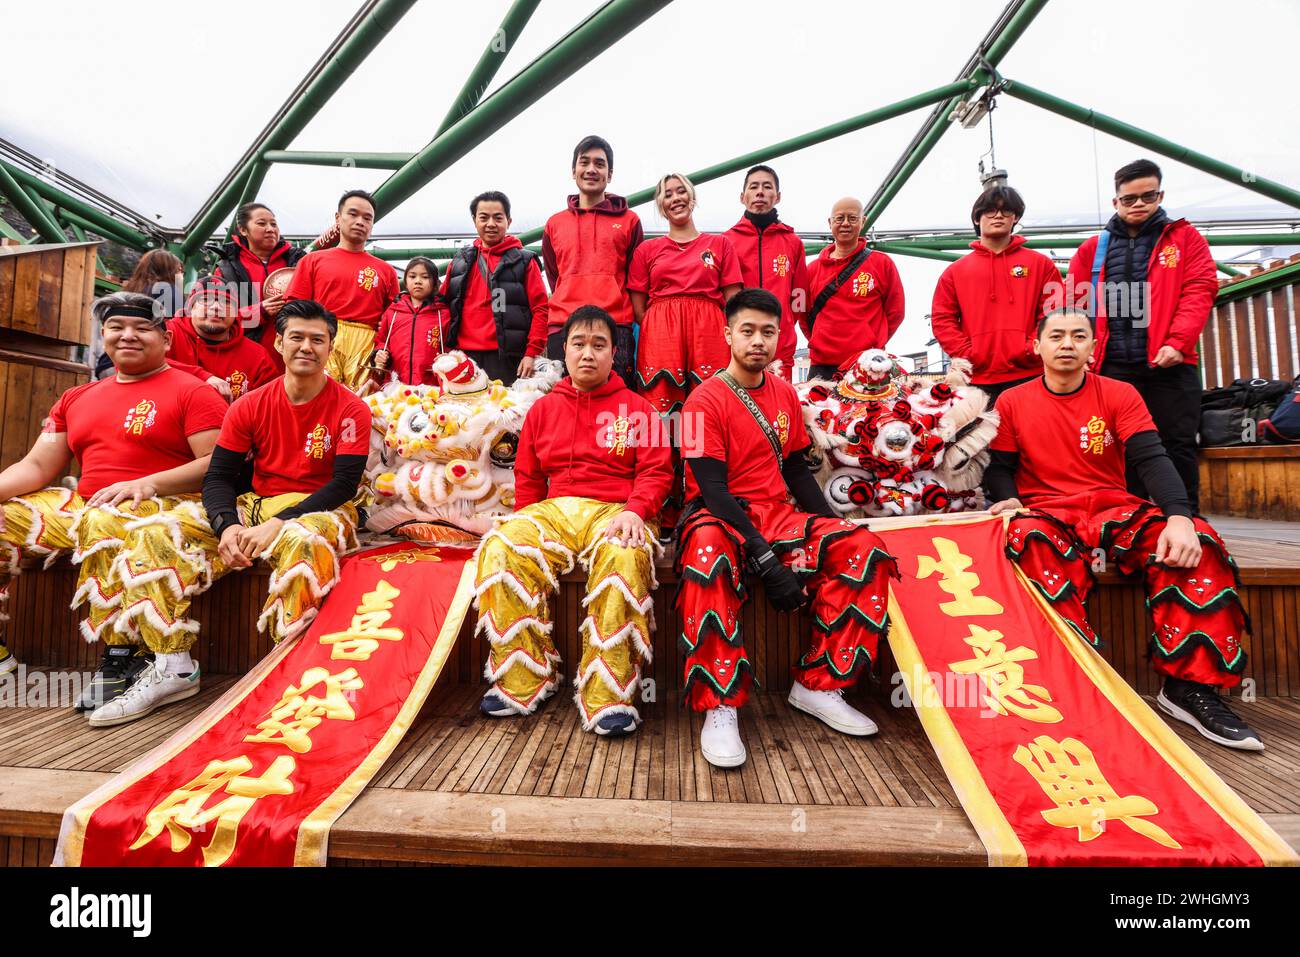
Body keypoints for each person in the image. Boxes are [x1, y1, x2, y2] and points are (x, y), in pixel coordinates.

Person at [83, 299, 372, 727]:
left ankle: (288, 672)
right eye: (296, 337)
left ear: (332, 348)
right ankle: (172, 664)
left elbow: (342, 486)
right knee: (155, 531)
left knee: (304, 540)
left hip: (321, 508)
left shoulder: (351, 408)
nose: (306, 347)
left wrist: (279, 522)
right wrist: (227, 526)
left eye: (318, 339)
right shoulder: (249, 405)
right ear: (278, 343)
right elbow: (218, 478)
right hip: (253, 505)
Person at [986, 309, 1260, 751]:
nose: (1067, 344)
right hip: (1047, 511)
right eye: (1056, 336)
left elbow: (1151, 458)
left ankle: (1188, 688)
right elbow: (999, 468)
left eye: (1079, 335)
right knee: (1024, 538)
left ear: (1093, 347)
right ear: (1035, 346)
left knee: (1200, 542)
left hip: (1114, 507)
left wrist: (1179, 515)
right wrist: (1010, 499)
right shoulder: (1011, 400)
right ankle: (1075, 681)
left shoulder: (1120, 392)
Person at [677, 288, 898, 768]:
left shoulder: (783, 392)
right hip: (720, 516)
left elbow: (797, 469)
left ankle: (819, 685)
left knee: (862, 547)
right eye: (748, 330)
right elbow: (711, 488)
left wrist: (831, 524)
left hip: (779, 515)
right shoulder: (701, 399)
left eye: (768, 332)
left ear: (781, 337)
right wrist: (762, 557)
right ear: (728, 334)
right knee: (709, 552)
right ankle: (720, 701)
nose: (758, 340)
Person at [0, 292, 226, 715]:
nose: (128, 336)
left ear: (166, 340)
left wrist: (149, 483)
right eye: (117, 328)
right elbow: (35, 465)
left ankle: (124, 655)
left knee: (105, 518)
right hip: (86, 505)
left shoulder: (194, 392)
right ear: (103, 336)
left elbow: (216, 463)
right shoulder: (76, 398)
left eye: (142, 328)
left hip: (168, 508)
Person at [473, 305, 671, 734]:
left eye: (599, 345)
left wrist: (637, 510)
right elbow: (527, 477)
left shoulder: (639, 408)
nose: (587, 354)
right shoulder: (543, 409)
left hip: (616, 511)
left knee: (624, 554)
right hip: (555, 510)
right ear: (564, 350)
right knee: (501, 545)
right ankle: (523, 677)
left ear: (614, 353)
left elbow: (657, 472)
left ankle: (608, 697)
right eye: (578, 344)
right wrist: (525, 523)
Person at [1065, 159, 1216, 512]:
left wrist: (1178, 343)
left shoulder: (1184, 239)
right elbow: (1075, 299)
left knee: (1176, 443)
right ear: (1115, 202)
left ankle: (1184, 517)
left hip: (1169, 363)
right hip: (1112, 367)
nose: (1139, 204)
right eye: (1129, 198)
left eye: (1148, 196)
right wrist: (1085, 348)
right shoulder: (1092, 249)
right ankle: (1131, 517)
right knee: (1119, 445)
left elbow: (1200, 289)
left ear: (1160, 195)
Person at [929, 185, 1060, 405]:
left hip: (1031, 373)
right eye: (990, 210)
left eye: (1006, 210)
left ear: (1015, 218)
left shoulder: (1041, 265)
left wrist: (1031, 348)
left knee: (1033, 437)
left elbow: (1054, 313)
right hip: (976, 378)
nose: (998, 215)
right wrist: (968, 354)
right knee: (979, 439)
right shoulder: (955, 272)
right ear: (977, 218)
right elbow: (942, 319)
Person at [541, 135, 643, 385]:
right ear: (573, 170)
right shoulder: (554, 223)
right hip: (563, 325)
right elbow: (555, 276)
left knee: (617, 407)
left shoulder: (630, 221)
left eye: (599, 164)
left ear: (609, 174)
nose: (591, 169)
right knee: (564, 402)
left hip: (615, 325)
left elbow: (635, 277)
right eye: (584, 162)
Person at [285, 189, 398, 391]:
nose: (360, 222)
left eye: (367, 218)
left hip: (365, 344)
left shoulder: (385, 270)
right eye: (353, 214)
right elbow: (294, 309)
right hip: (322, 336)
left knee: (364, 402)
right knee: (317, 396)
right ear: (338, 218)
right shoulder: (313, 260)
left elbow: (394, 319)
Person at [440, 191, 549, 385]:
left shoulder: (524, 261)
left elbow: (541, 309)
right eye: (484, 217)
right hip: (463, 358)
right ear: (474, 220)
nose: (491, 224)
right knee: (462, 413)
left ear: (509, 221)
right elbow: (441, 306)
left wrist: (531, 353)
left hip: (508, 358)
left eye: (498, 218)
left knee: (505, 411)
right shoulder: (460, 262)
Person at [722, 165, 810, 380]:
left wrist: (787, 323)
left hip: (780, 345)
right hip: (738, 346)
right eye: (754, 187)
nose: (760, 192)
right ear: (743, 196)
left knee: (779, 409)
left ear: (777, 196)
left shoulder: (792, 242)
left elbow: (800, 295)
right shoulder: (726, 241)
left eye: (767, 186)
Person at [804, 197, 904, 380]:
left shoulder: (882, 264)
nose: (845, 224)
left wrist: (874, 340)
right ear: (830, 222)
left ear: (863, 221)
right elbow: (802, 314)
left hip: (869, 364)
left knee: (873, 410)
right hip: (822, 364)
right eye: (839, 218)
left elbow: (896, 312)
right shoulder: (811, 270)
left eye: (852, 218)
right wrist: (819, 339)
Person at [212, 202, 306, 374]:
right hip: (244, 361)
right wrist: (259, 312)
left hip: (294, 360)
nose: (270, 229)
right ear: (243, 230)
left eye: (274, 224)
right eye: (262, 223)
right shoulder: (226, 270)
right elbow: (216, 319)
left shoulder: (299, 262)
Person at [167, 277, 279, 401]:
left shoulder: (257, 357)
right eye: (206, 299)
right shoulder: (169, 334)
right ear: (190, 308)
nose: (216, 307)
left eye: (226, 301)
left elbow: (270, 403)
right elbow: (144, 363)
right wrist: (201, 376)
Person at [93, 250, 185, 378]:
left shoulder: (130, 290)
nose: (181, 275)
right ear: (170, 270)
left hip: (110, 365)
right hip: (142, 368)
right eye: (179, 270)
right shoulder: (169, 293)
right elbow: (178, 333)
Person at [371, 257, 450, 387]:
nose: (418, 281)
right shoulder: (393, 311)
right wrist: (379, 354)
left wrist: (447, 359)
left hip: (432, 386)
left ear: (436, 283)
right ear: (406, 282)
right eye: (412, 276)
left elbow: (451, 347)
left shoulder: (443, 314)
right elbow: (381, 341)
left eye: (425, 277)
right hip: (395, 386)